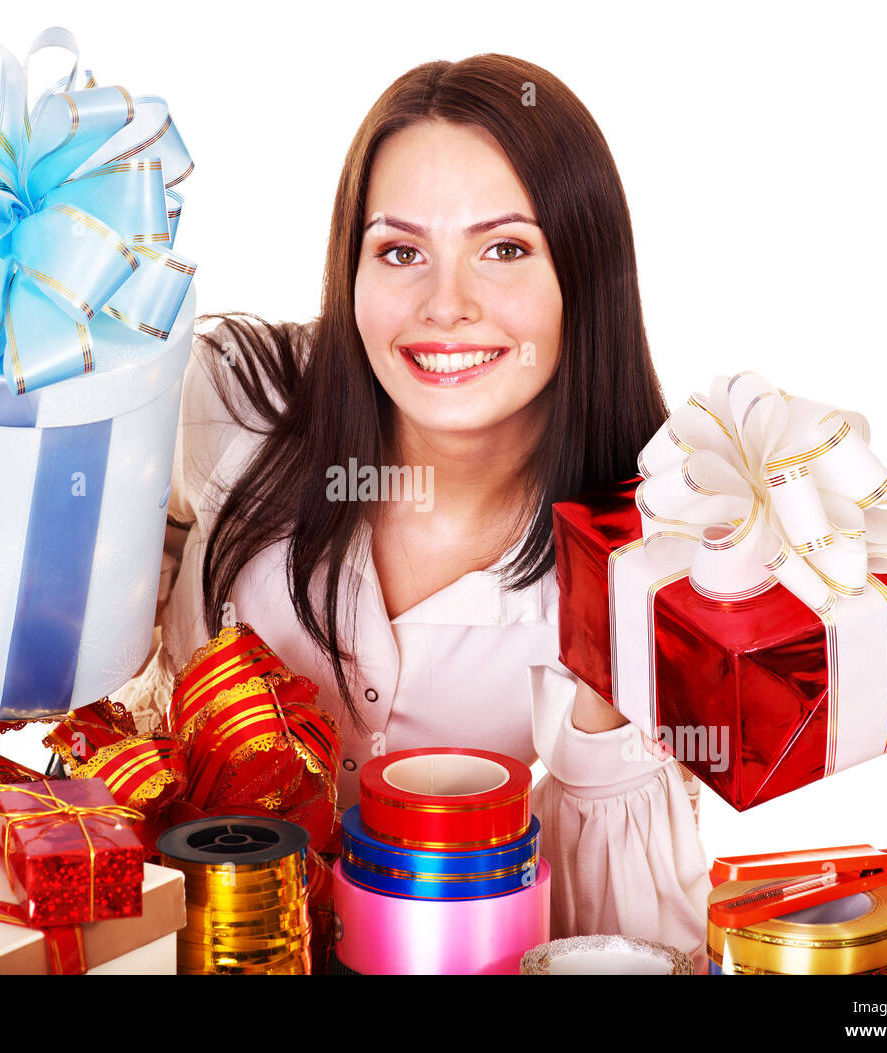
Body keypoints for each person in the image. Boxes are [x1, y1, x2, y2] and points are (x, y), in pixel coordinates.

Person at [115, 53, 710, 968]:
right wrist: (137, 580)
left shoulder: (639, 554)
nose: (446, 306)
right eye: (401, 251)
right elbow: (86, 552)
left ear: (584, 275)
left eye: (505, 248)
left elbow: (625, 943)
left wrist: (611, 681)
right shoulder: (235, 401)